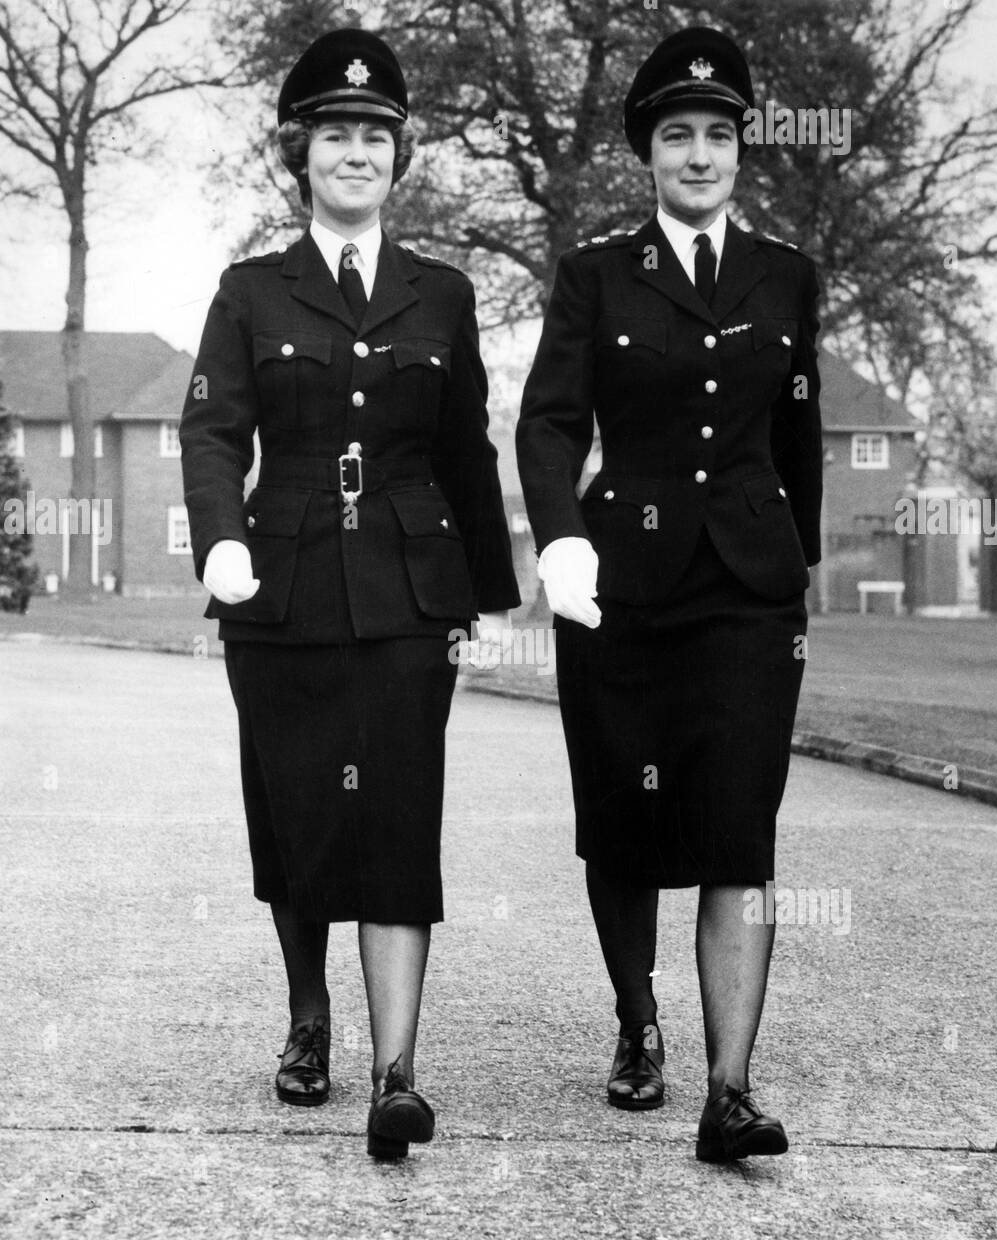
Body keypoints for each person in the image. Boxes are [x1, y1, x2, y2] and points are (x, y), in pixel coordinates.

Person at [180, 28, 519, 1159]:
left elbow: (466, 447)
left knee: (397, 815)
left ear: (398, 155)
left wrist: (490, 586)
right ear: (301, 153)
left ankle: (396, 1069)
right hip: (279, 597)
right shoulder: (249, 291)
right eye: (335, 135)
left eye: (375, 136)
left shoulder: (441, 293)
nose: (356, 153)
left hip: (409, 597)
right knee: (298, 815)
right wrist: (221, 543)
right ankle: (307, 1015)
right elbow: (215, 428)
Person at [516, 26, 822, 1161]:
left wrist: (800, 568)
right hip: (623, 591)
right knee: (625, 827)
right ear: (647, 153)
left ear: (741, 151)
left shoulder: (786, 274)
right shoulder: (596, 272)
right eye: (676, 135)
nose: (698, 155)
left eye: (718, 135)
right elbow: (547, 420)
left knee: (738, 829)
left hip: (746, 592)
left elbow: (799, 435)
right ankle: (636, 1025)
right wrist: (559, 539)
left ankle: (728, 1089)